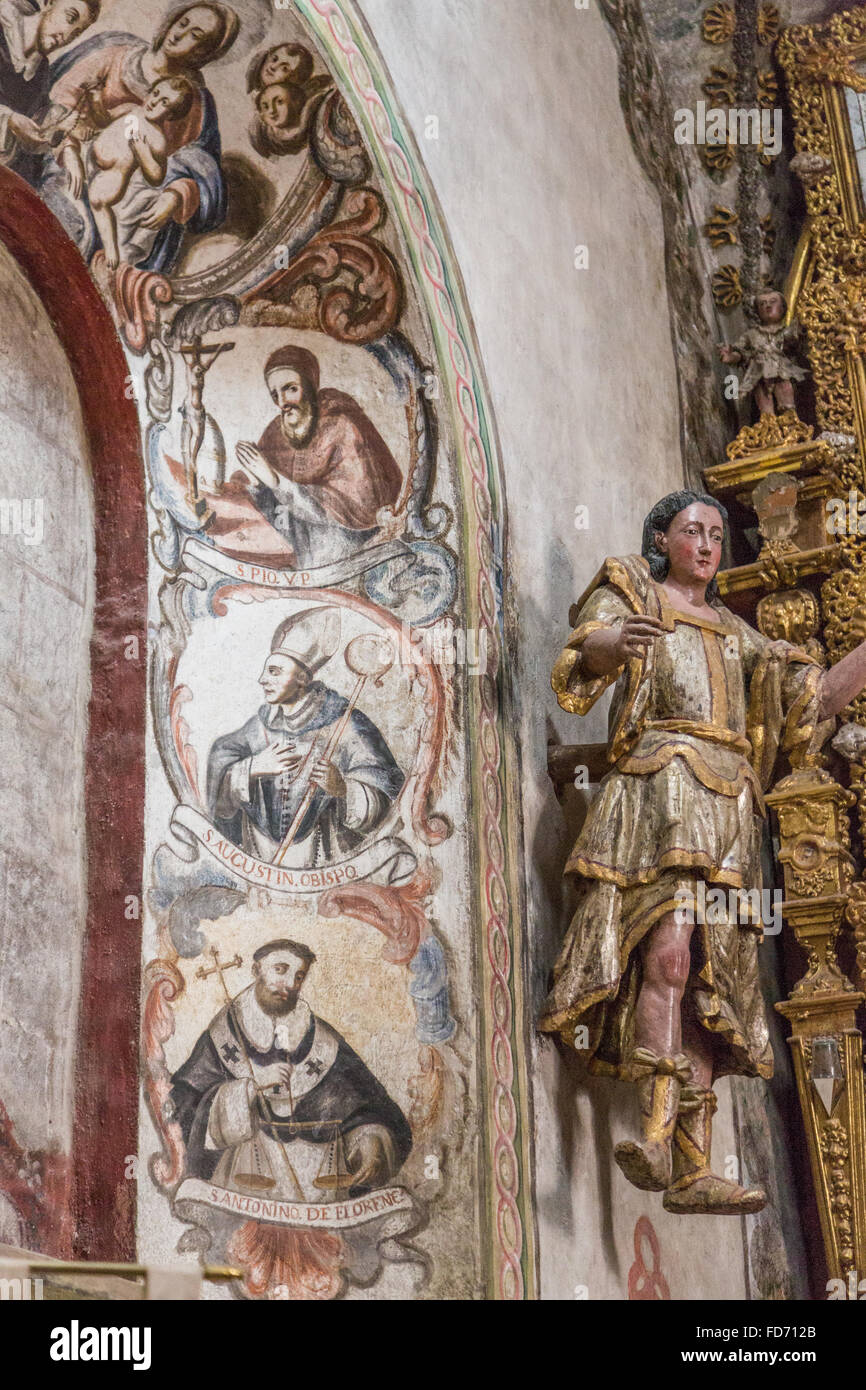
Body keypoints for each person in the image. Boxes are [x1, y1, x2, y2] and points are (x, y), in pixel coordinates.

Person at [539, 490, 866, 1215]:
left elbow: (812, 706)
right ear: (662, 536)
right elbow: (586, 648)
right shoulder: (635, 588)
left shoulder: (740, 637)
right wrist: (611, 643)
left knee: (715, 979)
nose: (711, 545)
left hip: (729, 812)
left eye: (719, 534)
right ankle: (657, 1133)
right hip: (662, 792)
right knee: (670, 957)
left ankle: (692, 1166)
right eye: (695, 531)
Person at [170, 938, 413, 1201]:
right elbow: (182, 1108)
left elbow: (365, 1106)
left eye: (299, 976)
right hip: (246, 1185)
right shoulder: (223, 1036)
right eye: (280, 969)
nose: (290, 984)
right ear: (256, 970)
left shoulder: (322, 1040)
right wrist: (249, 1088)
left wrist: (370, 1137)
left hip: (320, 1190)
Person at [37, 1, 238, 270]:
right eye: (183, 23)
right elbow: (60, 97)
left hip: (129, 198)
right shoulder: (117, 52)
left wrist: (176, 194)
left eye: (196, 35)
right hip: (72, 163)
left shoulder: (197, 105)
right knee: (61, 215)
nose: (179, 34)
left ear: (204, 51)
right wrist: (69, 149)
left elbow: (201, 167)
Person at [206, 606, 404, 864]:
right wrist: (253, 767)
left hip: (326, 856)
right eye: (266, 671)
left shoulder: (347, 724)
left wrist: (344, 788)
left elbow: (388, 797)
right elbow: (221, 762)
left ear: (301, 677)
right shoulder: (260, 725)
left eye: (274, 671)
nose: (262, 679)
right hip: (258, 853)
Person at [234, 345, 403, 568]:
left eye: (290, 389)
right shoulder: (276, 432)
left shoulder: (341, 427)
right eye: (275, 394)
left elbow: (355, 509)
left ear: (309, 386)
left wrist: (276, 481)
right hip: (293, 550)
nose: (283, 402)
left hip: (339, 553)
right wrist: (258, 484)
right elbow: (271, 503)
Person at [57, 74, 198, 268]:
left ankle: (111, 248)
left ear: (171, 114)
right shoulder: (132, 109)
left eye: (164, 102)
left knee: (98, 200)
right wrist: (96, 98)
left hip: (114, 174)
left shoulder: (157, 139)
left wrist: (142, 152)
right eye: (155, 93)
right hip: (92, 158)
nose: (154, 101)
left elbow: (157, 175)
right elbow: (104, 119)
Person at [0, 0, 98, 182]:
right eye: (70, 18)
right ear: (49, 3)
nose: (66, 35)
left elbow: (35, 125)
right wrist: (10, 120)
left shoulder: (40, 71)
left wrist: (58, 127)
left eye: (77, 33)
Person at [718, 289, 806, 416]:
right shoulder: (751, 335)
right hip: (759, 373)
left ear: (782, 308)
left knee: (785, 392)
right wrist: (730, 356)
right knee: (764, 401)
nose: (768, 306)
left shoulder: (784, 332)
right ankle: (767, 425)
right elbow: (741, 352)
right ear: (757, 311)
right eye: (763, 304)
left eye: (772, 302)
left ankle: (790, 421)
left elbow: (795, 336)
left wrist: (803, 323)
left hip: (781, 371)